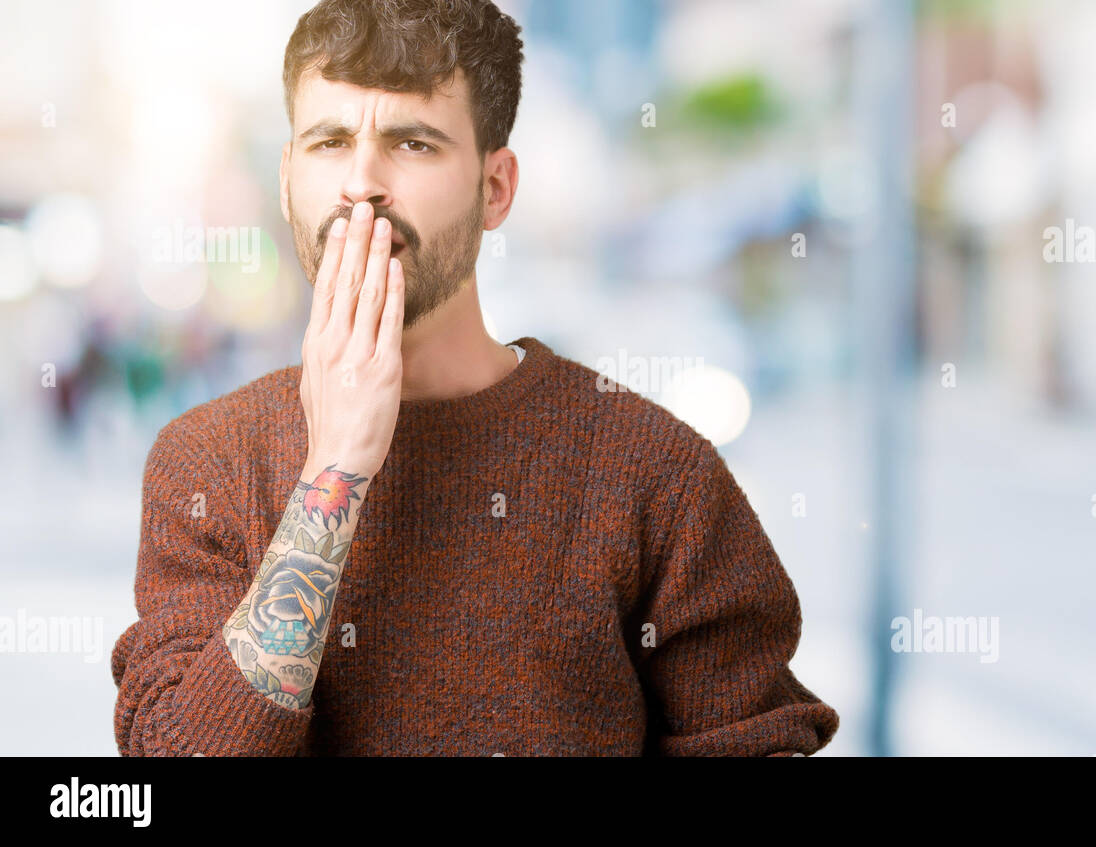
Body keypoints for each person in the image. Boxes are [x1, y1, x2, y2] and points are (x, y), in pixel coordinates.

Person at [111, 0, 839, 756]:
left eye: (413, 143)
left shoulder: (656, 470)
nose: (361, 184)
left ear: (496, 188)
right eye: (329, 142)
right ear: (288, 174)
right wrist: (335, 469)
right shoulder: (206, 461)